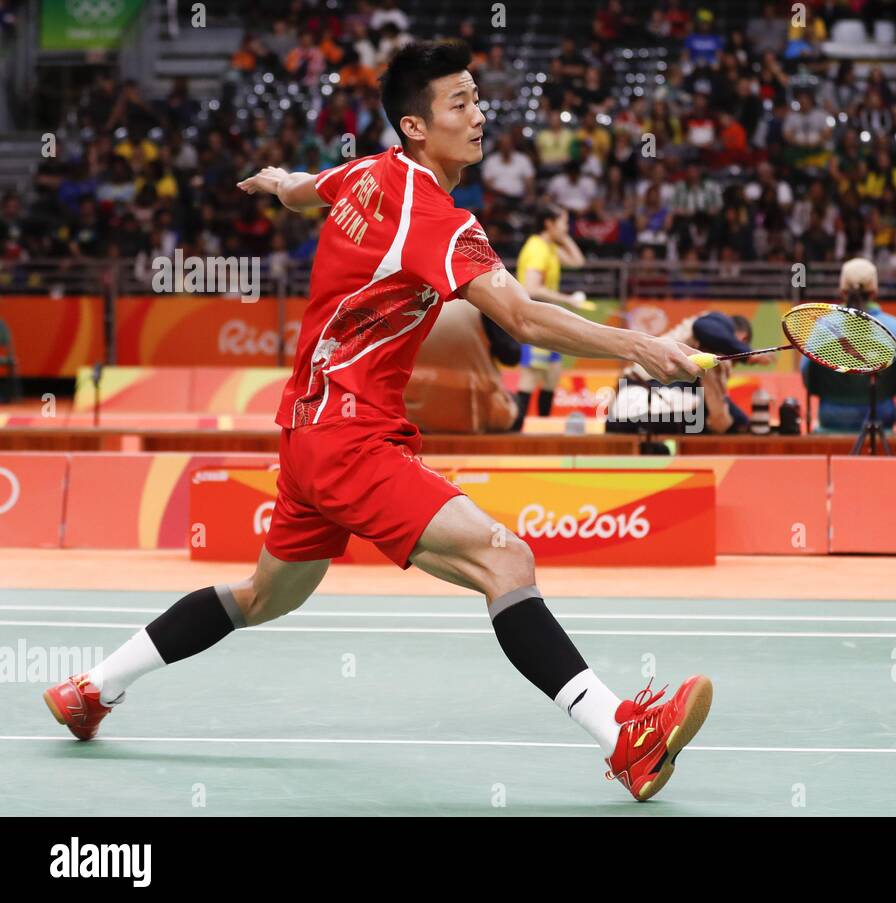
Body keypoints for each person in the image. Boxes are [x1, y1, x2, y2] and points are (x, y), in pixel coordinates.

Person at [46, 40, 712, 804]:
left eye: (476, 96)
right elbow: (522, 317)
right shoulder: (436, 217)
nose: (478, 112)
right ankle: (624, 733)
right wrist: (642, 346)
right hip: (352, 438)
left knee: (264, 596)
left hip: (304, 434)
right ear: (417, 126)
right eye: (459, 102)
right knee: (507, 561)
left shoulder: (364, 171)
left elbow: (305, 190)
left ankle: (90, 688)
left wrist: (274, 183)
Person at [802, 258, 896, 432]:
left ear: (842, 291)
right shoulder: (893, 326)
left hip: (833, 415)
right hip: (880, 415)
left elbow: (807, 376)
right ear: (875, 291)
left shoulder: (823, 325)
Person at [608, 311, 754, 435]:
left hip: (633, 404)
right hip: (634, 401)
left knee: (713, 416)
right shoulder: (713, 324)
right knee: (710, 417)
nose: (734, 361)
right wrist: (746, 353)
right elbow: (702, 327)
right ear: (742, 337)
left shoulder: (709, 351)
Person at [513, 203, 589, 428]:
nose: (567, 227)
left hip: (547, 322)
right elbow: (531, 287)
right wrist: (568, 300)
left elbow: (578, 261)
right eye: (564, 222)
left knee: (552, 375)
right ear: (549, 223)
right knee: (530, 376)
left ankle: (544, 428)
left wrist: (563, 237)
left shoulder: (549, 247)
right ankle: (515, 430)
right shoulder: (537, 248)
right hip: (534, 320)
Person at [405, 298, 521, 433]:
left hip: (411, 412)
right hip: (474, 411)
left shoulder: (407, 295)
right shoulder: (485, 299)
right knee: (515, 403)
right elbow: (511, 356)